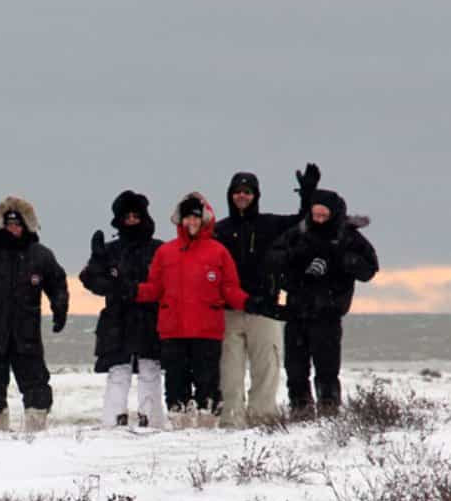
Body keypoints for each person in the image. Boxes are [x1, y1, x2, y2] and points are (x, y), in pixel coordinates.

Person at [132, 192, 271, 429]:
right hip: (173, 330)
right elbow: (154, 288)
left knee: (207, 382)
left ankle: (207, 425)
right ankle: (180, 425)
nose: (192, 223)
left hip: (207, 330)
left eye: (196, 218)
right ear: (180, 220)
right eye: (187, 218)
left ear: (203, 219)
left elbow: (229, 288)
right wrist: (130, 290)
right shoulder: (166, 252)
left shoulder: (218, 251)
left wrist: (249, 302)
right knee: (176, 383)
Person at [0, 166, 69, 433]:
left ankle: (35, 430)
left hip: (25, 335)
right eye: (8, 223)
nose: (13, 228)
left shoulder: (40, 254)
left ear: (27, 225)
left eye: (18, 224)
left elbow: (57, 282)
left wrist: (60, 308)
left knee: (36, 384)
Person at [213, 163, 320, 426]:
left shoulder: (270, 224)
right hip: (228, 310)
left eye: (248, 192)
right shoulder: (219, 230)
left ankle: (262, 419)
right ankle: (232, 420)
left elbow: (304, 224)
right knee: (230, 372)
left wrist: (308, 195)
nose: (242, 196)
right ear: (230, 195)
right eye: (237, 191)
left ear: (256, 195)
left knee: (267, 369)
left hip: (266, 308)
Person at [267, 188, 379, 416]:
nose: (318, 220)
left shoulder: (348, 237)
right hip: (296, 313)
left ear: (333, 214)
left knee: (327, 370)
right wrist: (296, 257)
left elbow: (369, 270)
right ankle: (300, 410)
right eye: (314, 215)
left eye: (323, 216)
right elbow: (273, 259)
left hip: (328, 315)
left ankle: (329, 410)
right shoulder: (297, 233)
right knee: (295, 370)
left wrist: (344, 261)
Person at [79, 190, 164, 428]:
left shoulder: (159, 249)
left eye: (136, 216)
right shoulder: (109, 251)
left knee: (150, 369)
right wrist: (109, 279)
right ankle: (114, 420)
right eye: (127, 217)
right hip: (117, 318)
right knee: (118, 371)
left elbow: (167, 283)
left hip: (150, 317)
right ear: (120, 219)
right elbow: (89, 279)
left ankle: (152, 419)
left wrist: (135, 290)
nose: (132, 221)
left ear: (144, 217)